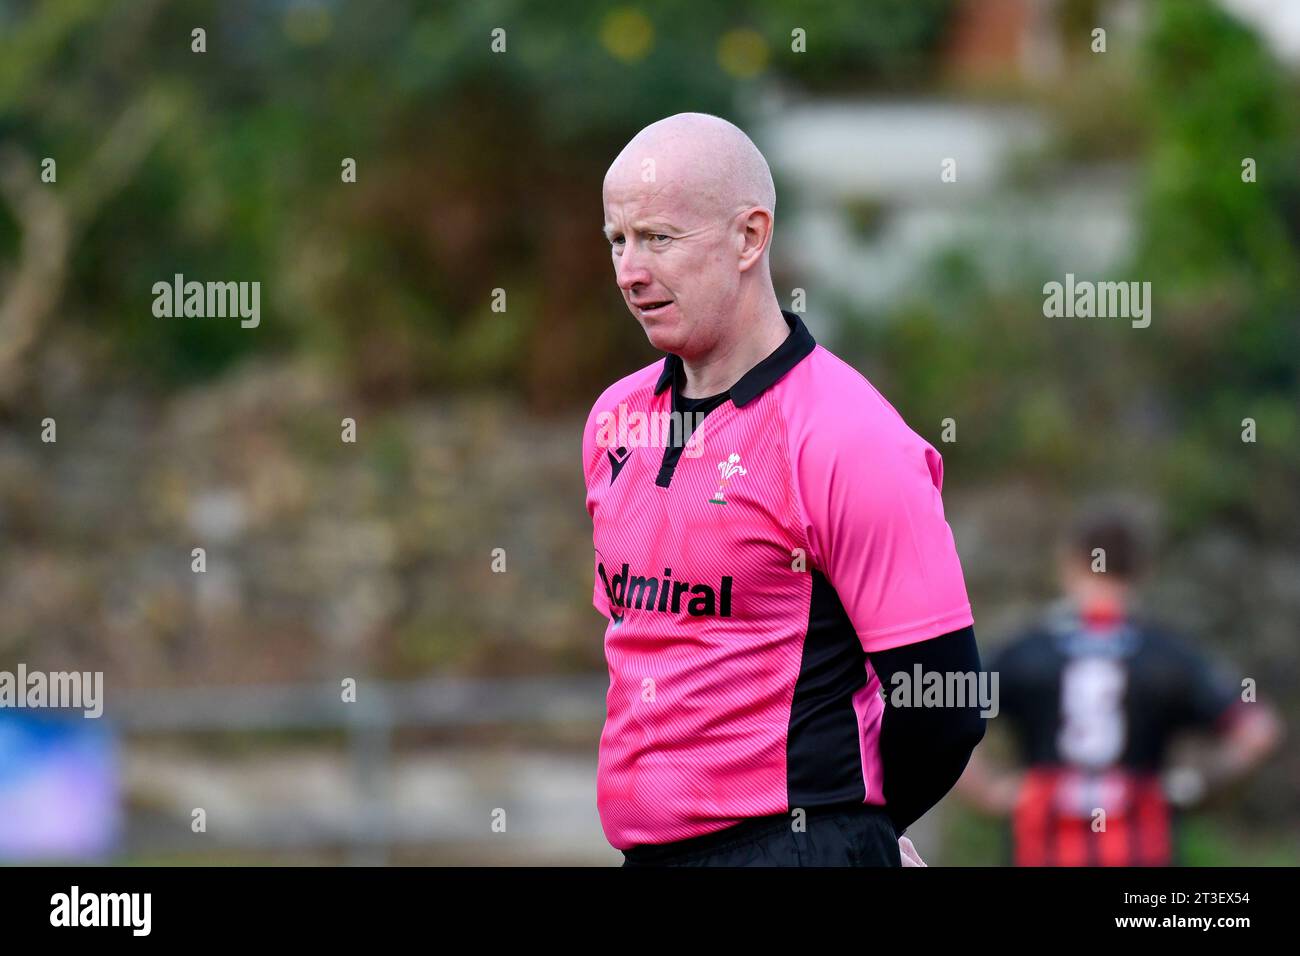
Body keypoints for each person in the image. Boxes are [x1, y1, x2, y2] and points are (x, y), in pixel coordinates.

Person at [582, 112, 984, 867]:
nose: (630, 270)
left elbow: (948, 704)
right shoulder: (613, 420)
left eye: (659, 238)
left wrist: (856, 836)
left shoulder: (846, 435)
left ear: (749, 237)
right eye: (618, 241)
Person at [957, 509, 1283, 865]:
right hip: (1140, 847)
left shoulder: (1028, 649)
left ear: (1071, 563)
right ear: (1142, 570)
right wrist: (1195, 785)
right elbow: (1257, 730)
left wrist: (990, 791)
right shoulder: (1168, 653)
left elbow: (950, 712)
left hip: (1044, 846)